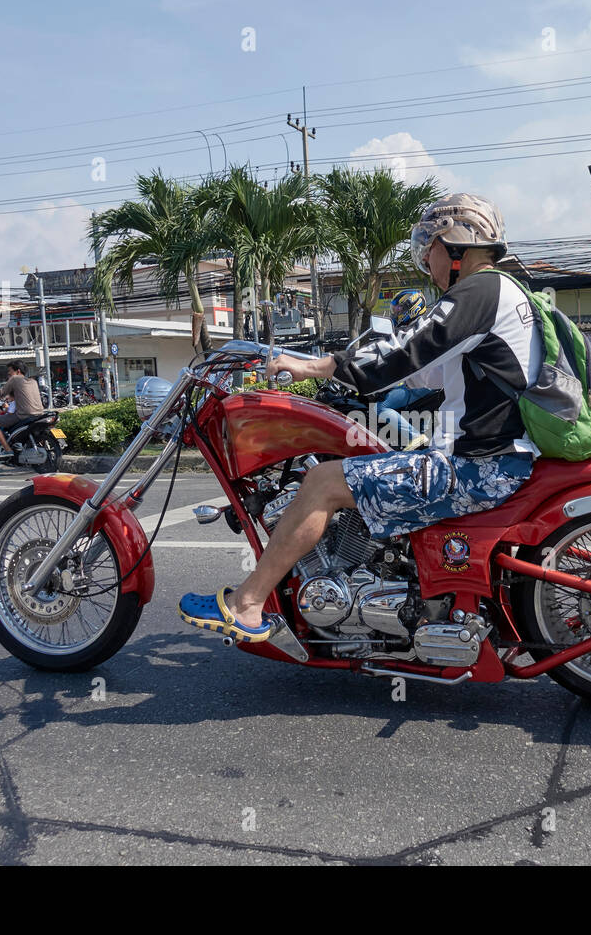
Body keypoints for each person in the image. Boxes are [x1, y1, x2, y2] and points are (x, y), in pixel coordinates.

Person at [179, 193, 542, 642]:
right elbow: (421, 371)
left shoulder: (480, 290)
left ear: (454, 246)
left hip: (476, 466)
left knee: (322, 483)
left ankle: (247, 605)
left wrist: (313, 365)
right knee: (364, 460)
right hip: (490, 458)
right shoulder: (498, 293)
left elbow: (403, 350)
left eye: (429, 246)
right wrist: (365, 375)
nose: (425, 258)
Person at [374, 290, 435, 448]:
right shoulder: (423, 325)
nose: (396, 313)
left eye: (399, 309)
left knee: (382, 406)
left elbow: (398, 360)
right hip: (426, 380)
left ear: (412, 307)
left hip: (425, 383)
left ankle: (415, 438)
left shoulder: (414, 331)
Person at [0, 361, 43, 459]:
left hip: (24, 415)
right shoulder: (33, 381)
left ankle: (8, 450)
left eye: (10, 372)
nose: (8, 374)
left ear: (18, 371)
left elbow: (0, 393)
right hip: (39, 414)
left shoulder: (15, 379)